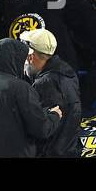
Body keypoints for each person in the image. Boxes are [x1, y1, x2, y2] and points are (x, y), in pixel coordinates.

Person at [20, 28, 81, 157]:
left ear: (31, 56)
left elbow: (42, 129)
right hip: (70, 149)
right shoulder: (68, 72)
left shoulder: (44, 83)